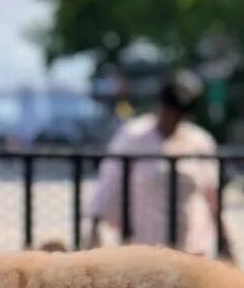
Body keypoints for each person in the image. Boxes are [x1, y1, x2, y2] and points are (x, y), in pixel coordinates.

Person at [86, 72, 229, 257]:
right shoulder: (134, 137)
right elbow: (108, 187)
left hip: (191, 248)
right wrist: (94, 234)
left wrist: (226, 244)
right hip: (145, 248)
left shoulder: (199, 141)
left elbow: (212, 196)